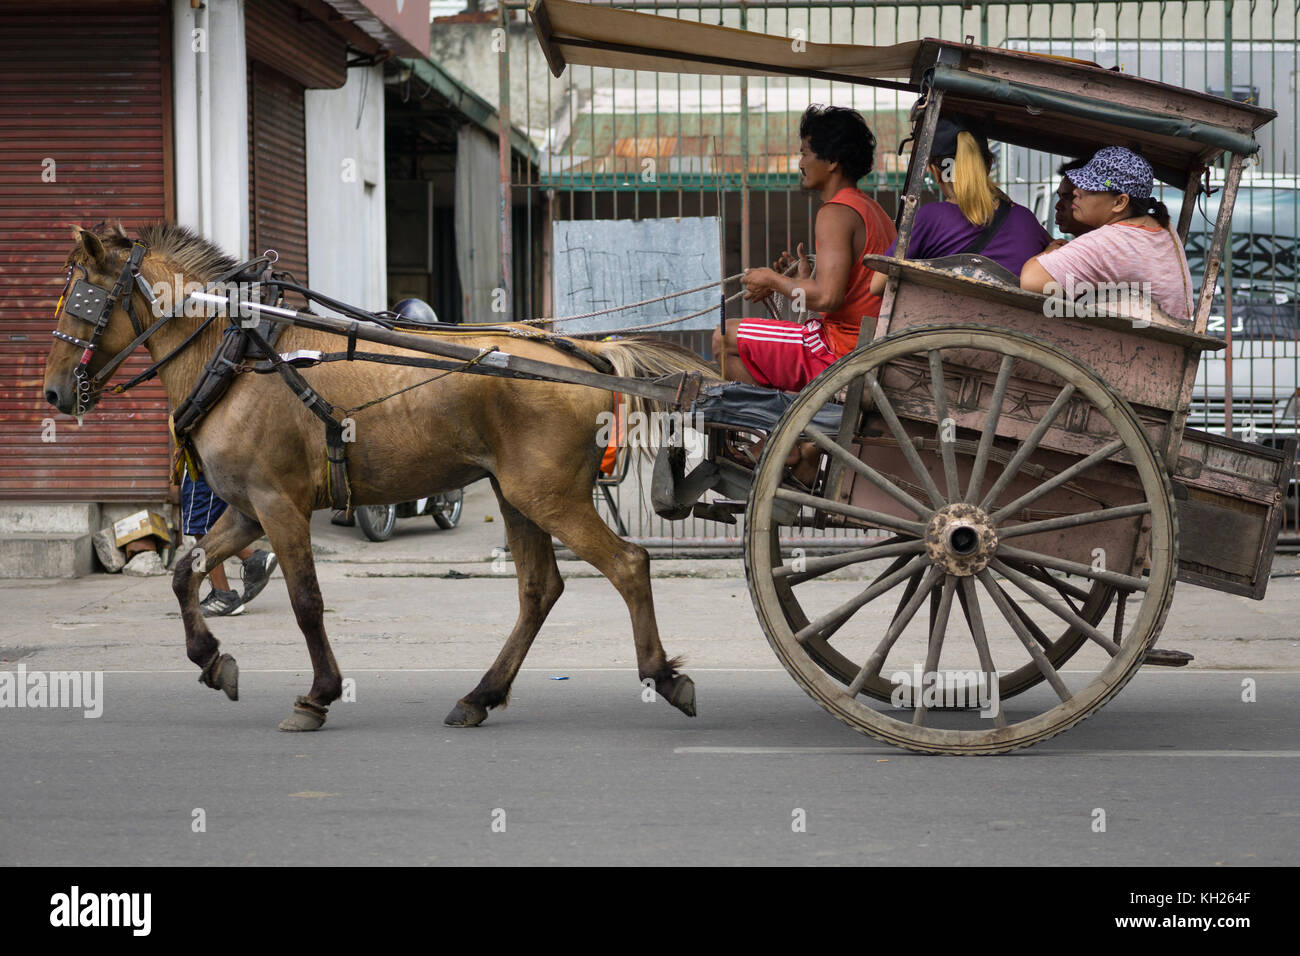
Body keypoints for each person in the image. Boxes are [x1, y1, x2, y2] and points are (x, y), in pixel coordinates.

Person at [713, 104, 896, 391]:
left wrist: (773, 279)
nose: (800, 163)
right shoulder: (872, 210)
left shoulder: (835, 212)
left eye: (804, 153)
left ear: (832, 160)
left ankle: (785, 429)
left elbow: (827, 297)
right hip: (861, 344)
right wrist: (798, 283)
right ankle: (787, 425)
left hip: (841, 351)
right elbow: (842, 292)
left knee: (723, 338)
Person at [870, 114, 1050, 296]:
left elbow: (877, 286)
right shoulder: (1025, 219)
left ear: (934, 171)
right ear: (988, 164)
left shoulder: (929, 218)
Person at [1020, 146, 1194, 322]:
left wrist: (1050, 250)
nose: (1076, 192)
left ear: (1120, 202)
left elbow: (1030, 281)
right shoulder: (1160, 226)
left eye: (1090, 189)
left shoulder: (1111, 242)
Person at [181, 465, 278, 617]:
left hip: (203, 467)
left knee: (203, 529)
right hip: (208, 465)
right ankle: (254, 559)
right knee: (208, 528)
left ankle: (223, 595)